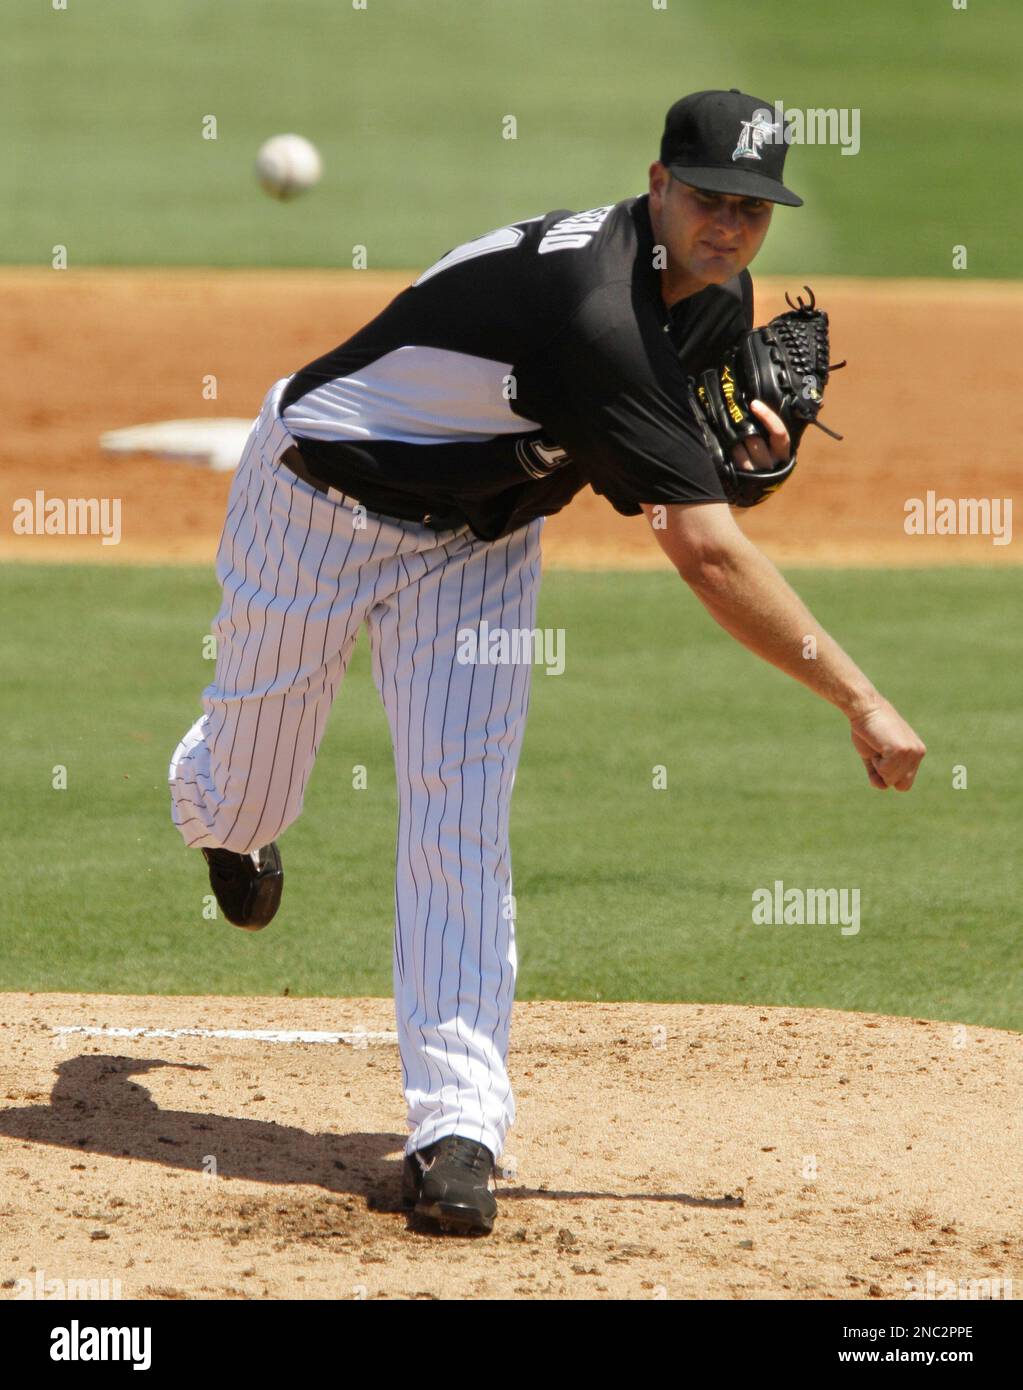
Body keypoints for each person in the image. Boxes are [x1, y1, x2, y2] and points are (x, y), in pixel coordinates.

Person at [168, 88, 925, 1236]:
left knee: (459, 813)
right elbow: (705, 549)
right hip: (316, 501)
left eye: (755, 210)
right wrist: (861, 700)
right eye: (712, 199)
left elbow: (685, 465)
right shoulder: (593, 310)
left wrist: (742, 454)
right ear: (659, 183)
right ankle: (218, 802)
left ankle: (456, 1130)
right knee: (249, 789)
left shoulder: (713, 294)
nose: (731, 229)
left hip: (476, 542)